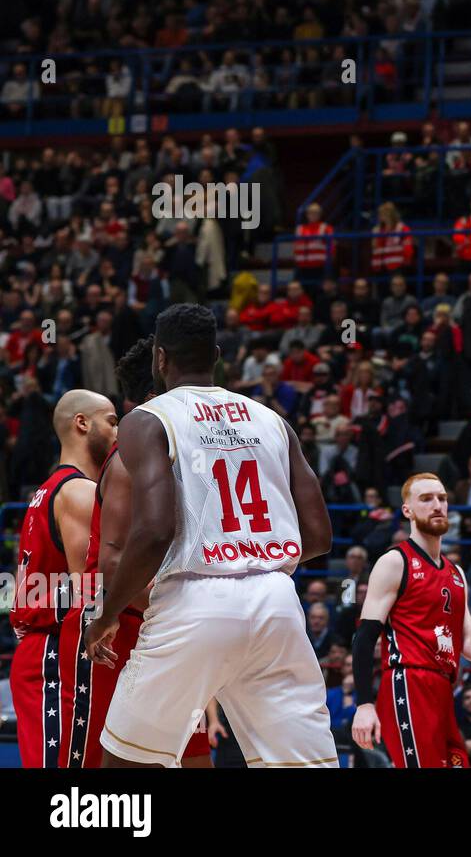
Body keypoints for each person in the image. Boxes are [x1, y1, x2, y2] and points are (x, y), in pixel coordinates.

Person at [84, 304, 338, 768]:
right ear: (217, 355)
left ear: (160, 359)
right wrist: (255, 551)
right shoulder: (271, 420)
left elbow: (155, 530)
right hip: (278, 603)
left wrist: (107, 614)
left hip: (194, 600)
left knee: (127, 762)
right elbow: (319, 536)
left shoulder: (148, 419)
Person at [58, 339, 212, 769]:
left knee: (191, 754)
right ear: (156, 395)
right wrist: (187, 612)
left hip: (165, 622)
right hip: (123, 627)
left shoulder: (173, 452)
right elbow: (111, 562)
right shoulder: (132, 451)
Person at [350, 473, 471, 767]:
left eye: (442, 498)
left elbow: (470, 642)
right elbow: (364, 637)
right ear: (407, 510)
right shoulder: (395, 561)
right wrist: (364, 704)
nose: (437, 505)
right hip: (408, 681)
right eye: (426, 499)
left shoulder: (457, 573)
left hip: (444, 687)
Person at [9, 388, 117, 767]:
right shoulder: (81, 491)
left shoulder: (45, 491)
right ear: (82, 423)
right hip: (57, 655)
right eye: (112, 420)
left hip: (38, 652)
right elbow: (89, 589)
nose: (118, 432)